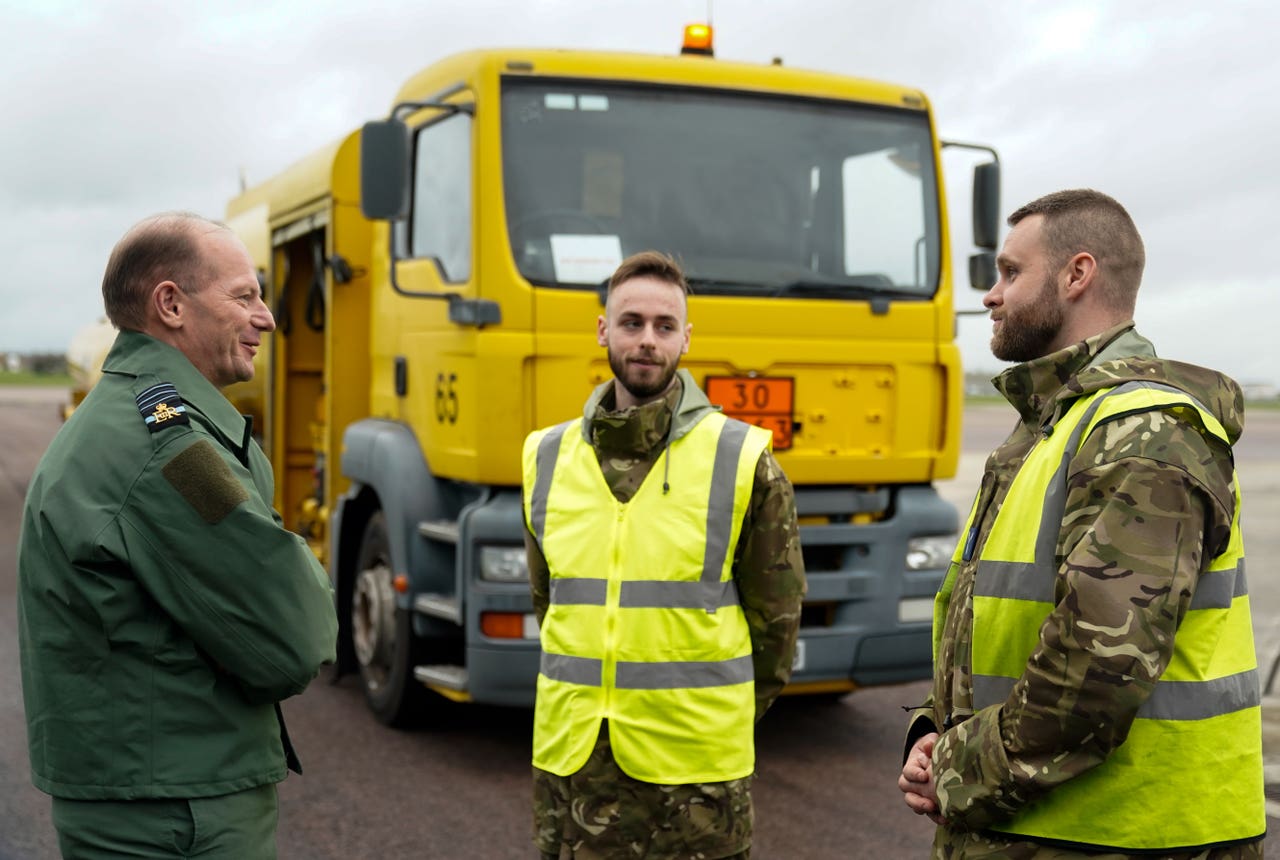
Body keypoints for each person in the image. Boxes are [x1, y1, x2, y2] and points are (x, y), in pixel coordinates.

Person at [898, 189, 1265, 858]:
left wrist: (956, 768)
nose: (989, 294)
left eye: (1010, 272)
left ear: (1077, 274)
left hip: (1124, 836)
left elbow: (1098, 668)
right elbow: (1000, 622)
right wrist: (935, 726)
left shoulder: (1142, 435)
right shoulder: (1054, 426)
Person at [18, 212, 339, 859]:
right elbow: (295, 632)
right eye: (244, 296)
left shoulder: (123, 420)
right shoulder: (164, 450)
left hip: (145, 792)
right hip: (177, 813)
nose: (267, 317)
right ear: (171, 304)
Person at [521, 250, 806, 859]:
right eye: (631, 323)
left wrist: (714, 716)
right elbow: (550, 603)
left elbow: (776, 627)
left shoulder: (743, 459)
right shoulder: (546, 457)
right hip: (573, 766)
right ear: (603, 329)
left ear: (685, 338)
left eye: (664, 326)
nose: (647, 340)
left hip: (695, 777)